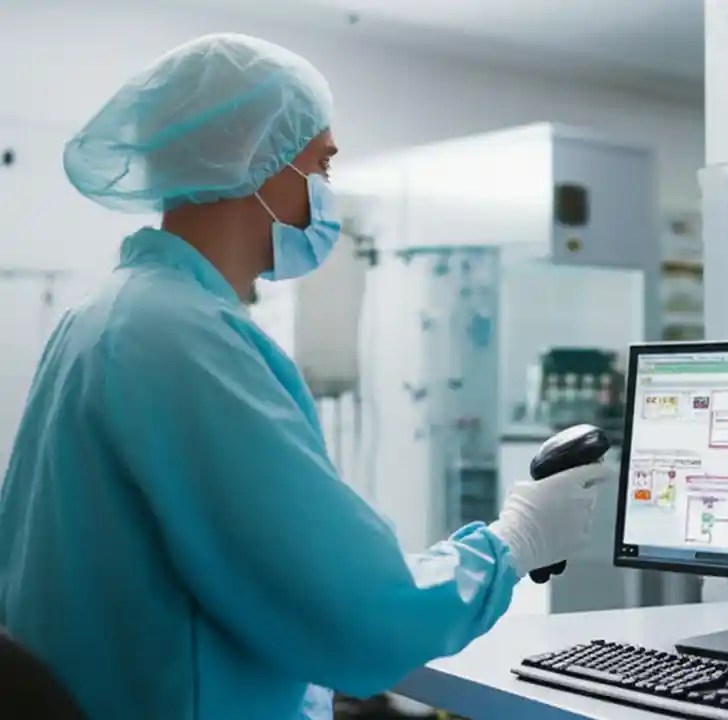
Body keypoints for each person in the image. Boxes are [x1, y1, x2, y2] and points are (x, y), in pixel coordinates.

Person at [0, 33, 607, 720]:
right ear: (253, 164)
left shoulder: (107, 316)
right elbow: (358, 611)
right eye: (320, 165)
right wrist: (515, 541)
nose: (326, 193)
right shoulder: (184, 337)